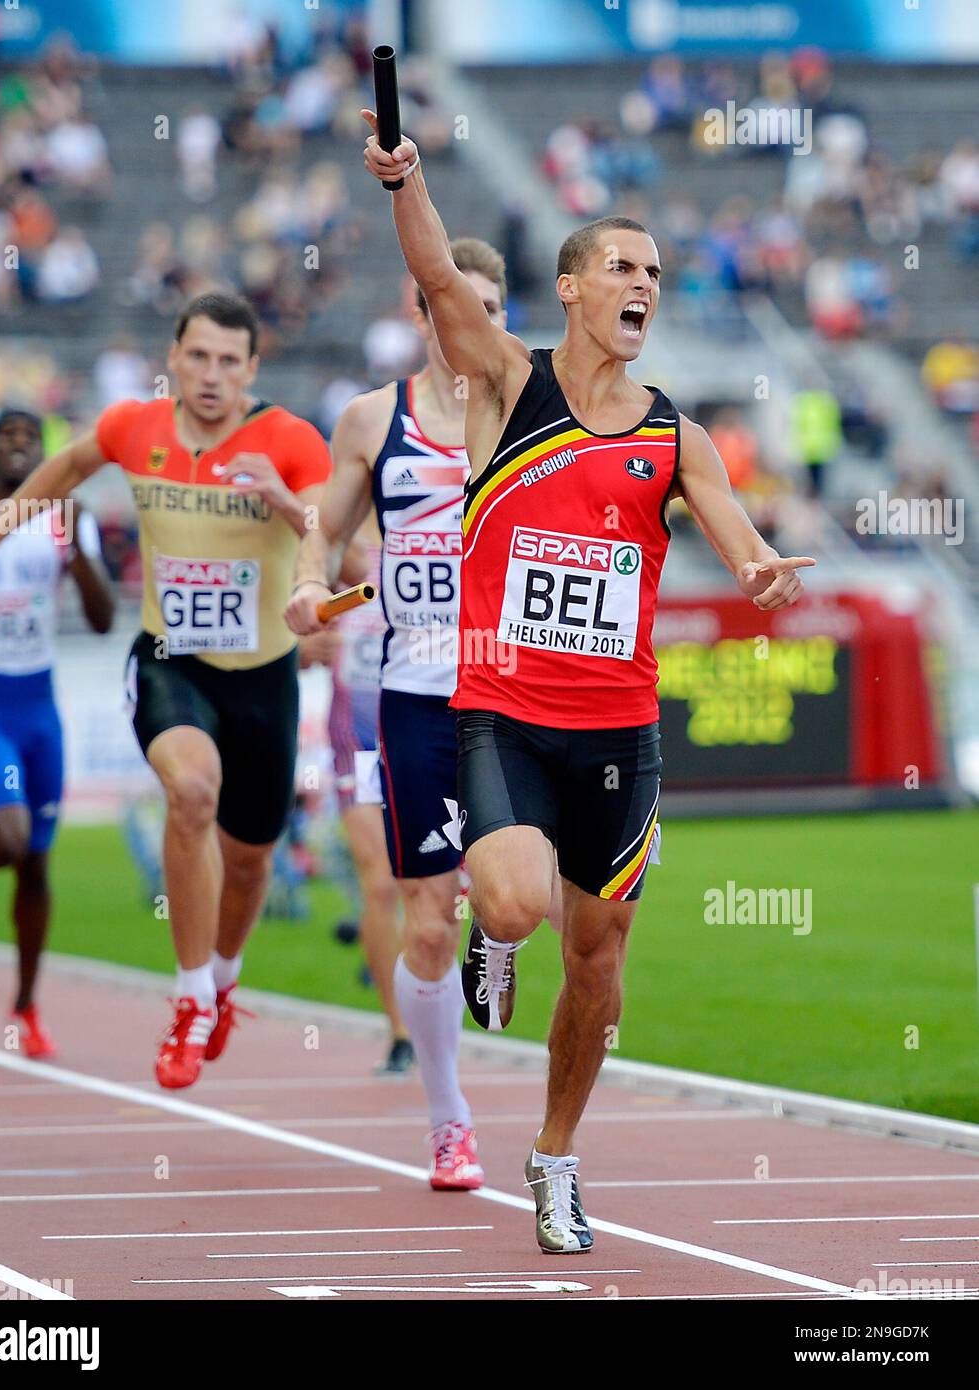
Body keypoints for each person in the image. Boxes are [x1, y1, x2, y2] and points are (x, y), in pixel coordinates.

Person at [360, 115, 814, 1253]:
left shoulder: (675, 435)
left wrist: (758, 571)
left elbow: (737, 537)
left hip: (618, 732)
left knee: (598, 962)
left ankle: (553, 1154)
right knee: (511, 900)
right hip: (502, 709)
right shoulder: (503, 388)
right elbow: (431, 273)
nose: (642, 284)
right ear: (567, 287)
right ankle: (491, 940)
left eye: (654, 273)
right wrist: (406, 180)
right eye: (621, 265)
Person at [0, 292, 348, 1090]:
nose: (210, 375)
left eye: (228, 361)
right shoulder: (138, 426)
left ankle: (226, 983)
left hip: (263, 678)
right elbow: (63, 471)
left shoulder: (287, 439)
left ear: (251, 369)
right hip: (170, 661)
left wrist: (295, 543)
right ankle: (192, 997)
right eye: (196, 356)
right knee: (191, 792)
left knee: (249, 859)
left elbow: (328, 527)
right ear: (173, 358)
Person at [286, 238, 510, 1192]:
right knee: (428, 922)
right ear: (422, 310)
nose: (481, 322)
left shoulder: (541, 419)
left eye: (495, 307)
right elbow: (326, 530)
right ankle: (447, 1117)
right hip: (416, 696)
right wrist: (305, 589)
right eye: (462, 303)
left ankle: (499, 937)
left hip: (517, 693)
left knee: (512, 899)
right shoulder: (375, 420)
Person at [0, 409, 114, 1055]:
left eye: (30, 439)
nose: (19, 445)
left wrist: (74, 553)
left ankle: (26, 1006)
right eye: (7, 437)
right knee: (10, 837)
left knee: (37, 864)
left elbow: (102, 620)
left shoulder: (66, 516)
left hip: (40, 706)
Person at [323, 508, 411, 1074]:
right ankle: (400, 1032)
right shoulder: (343, 536)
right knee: (379, 883)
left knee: (440, 886)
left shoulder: (448, 515)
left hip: (429, 725)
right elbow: (310, 604)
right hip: (358, 739)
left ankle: (430, 985)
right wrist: (314, 626)